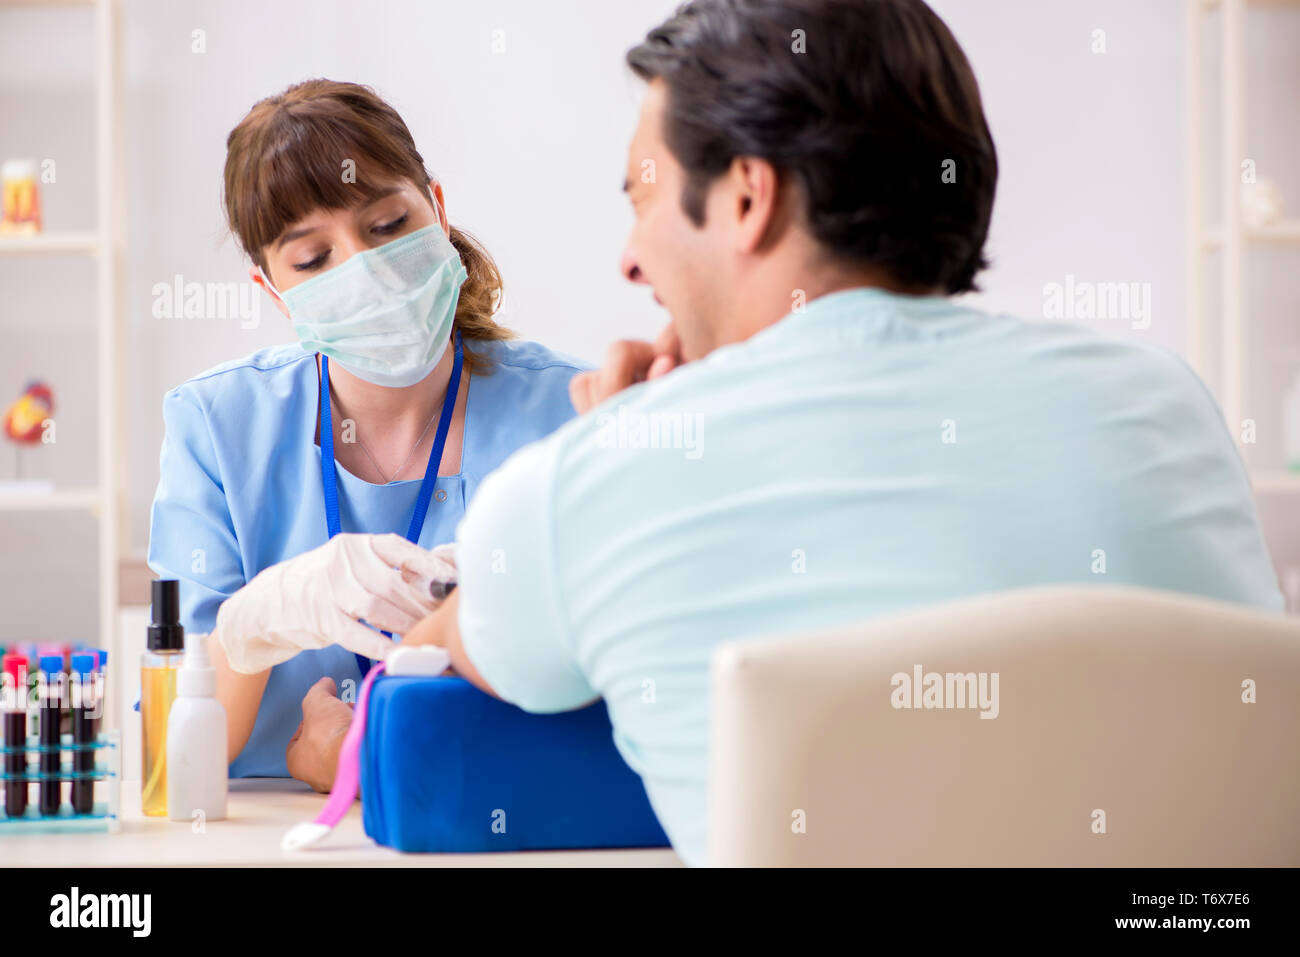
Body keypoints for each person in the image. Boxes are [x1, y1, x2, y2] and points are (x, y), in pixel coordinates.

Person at [397, 0, 1283, 866]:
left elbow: (422, 658)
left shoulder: (588, 481)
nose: (629, 257)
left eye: (644, 194)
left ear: (748, 196)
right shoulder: (1168, 405)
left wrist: (616, 457)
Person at [146, 79, 587, 787]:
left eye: (387, 226)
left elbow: (620, 699)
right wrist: (251, 626)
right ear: (273, 292)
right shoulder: (218, 427)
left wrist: (357, 758)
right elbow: (172, 764)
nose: (366, 270)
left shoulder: (571, 412)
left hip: (494, 819)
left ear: (437, 211)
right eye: (313, 259)